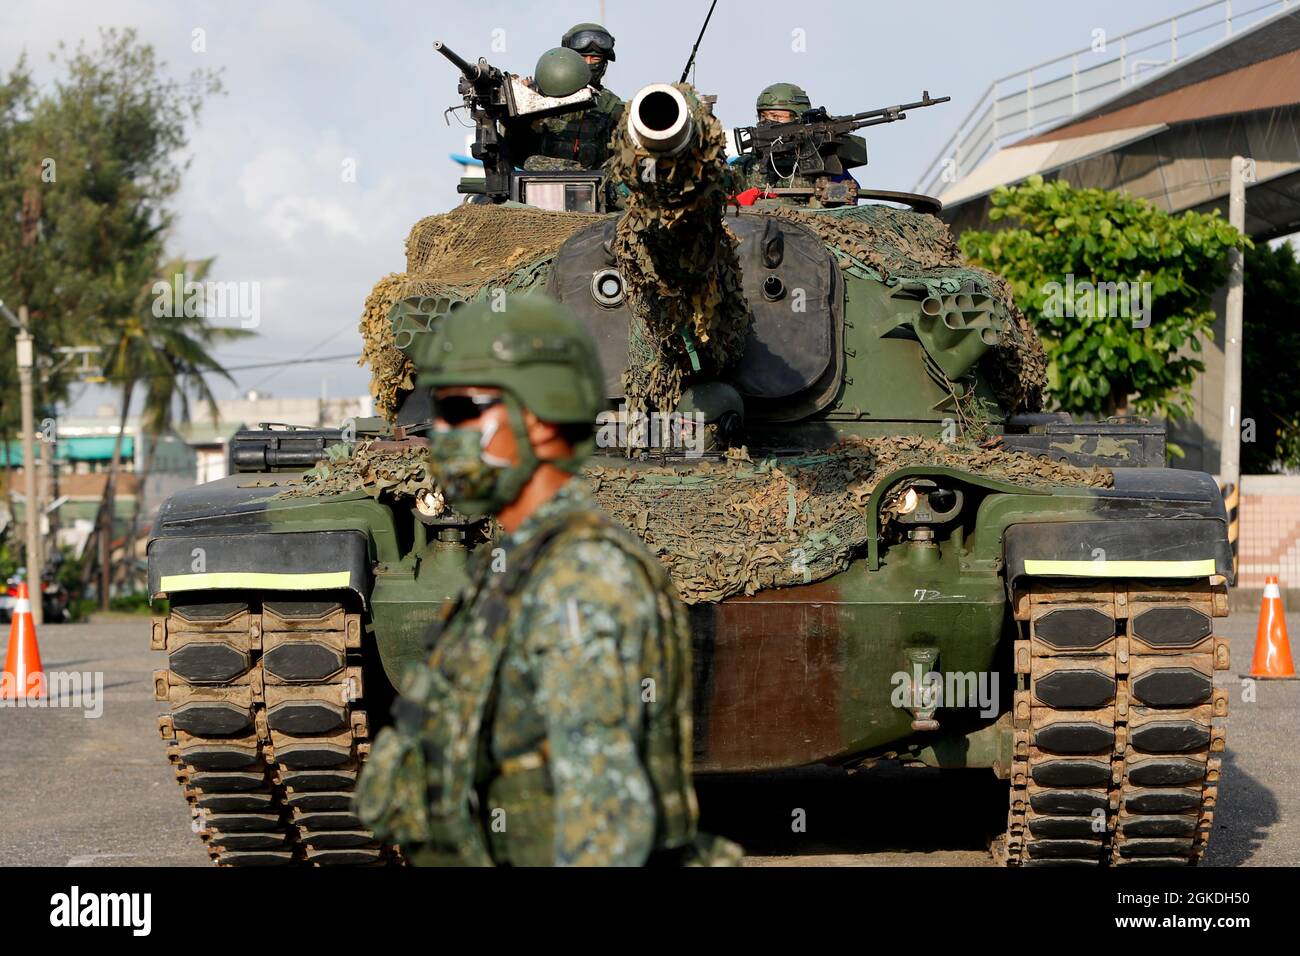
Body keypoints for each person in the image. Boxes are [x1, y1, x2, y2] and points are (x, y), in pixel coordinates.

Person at [355, 295, 739, 867]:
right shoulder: (512, 567)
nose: (439, 433)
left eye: (461, 410)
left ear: (535, 419)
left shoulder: (581, 582)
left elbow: (606, 833)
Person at [513, 22, 624, 170]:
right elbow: (517, 148)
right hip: (544, 184)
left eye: (595, 59)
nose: (588, 63)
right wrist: (520, 101)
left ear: (604, 62)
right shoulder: (540, 98)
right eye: (582, 58)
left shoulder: (611, 106)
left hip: (597, 185)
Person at [736, 82, 865, 207]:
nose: (767, 122)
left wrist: (831, 193)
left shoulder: (820, 163)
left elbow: (850, 193)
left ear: (797, 119)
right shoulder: (747, 165)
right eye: (763, 117)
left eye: (776, 117)